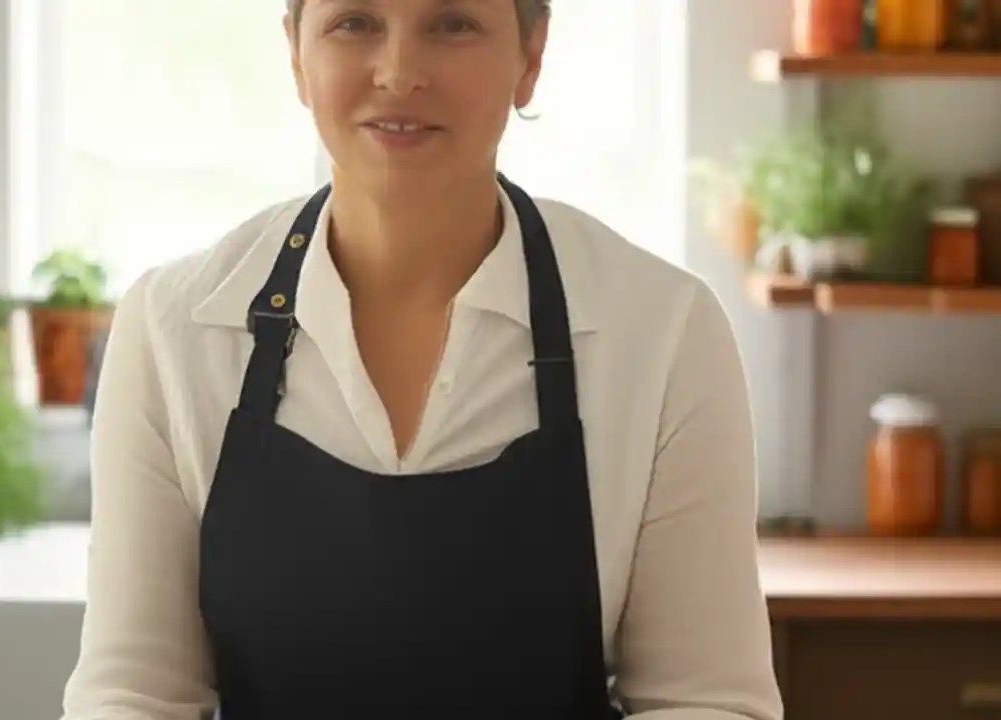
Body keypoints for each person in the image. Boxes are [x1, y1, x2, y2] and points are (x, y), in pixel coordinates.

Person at [61, 0, 783, 718]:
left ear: (530, 55)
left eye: (453, 23)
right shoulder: (171, 330)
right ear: (296, 54)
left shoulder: (664, 333)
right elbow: (132, 695)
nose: (399, 72)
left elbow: (705, 701)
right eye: (355, 23)